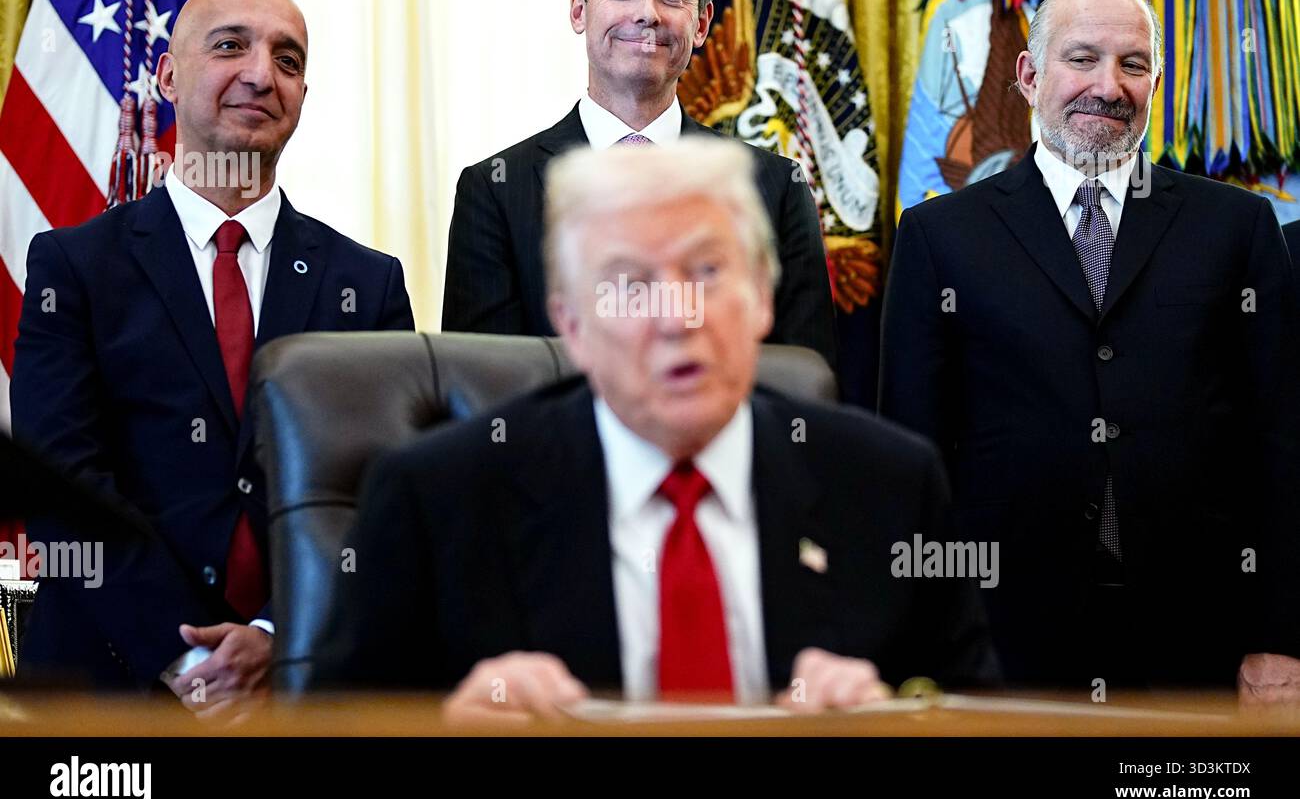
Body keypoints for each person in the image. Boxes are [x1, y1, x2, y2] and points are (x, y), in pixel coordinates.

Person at [315, 138, 995, 721]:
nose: (677, 317)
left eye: (706, 271)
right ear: (571, 324)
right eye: (628, 284)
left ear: (762, 296)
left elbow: (982, 728)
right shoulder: (437, 500)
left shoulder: (889, 488)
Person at [879, 0, 1300, 698]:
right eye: (1082, 58)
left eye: (1133, 65)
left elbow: (1285, 443)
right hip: (998, 645)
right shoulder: (937, 237)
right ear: (1030, 74)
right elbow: (913, 458)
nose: (1107, 86)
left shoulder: (1239, 228)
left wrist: (1281, 637)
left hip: (1199, 644)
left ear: (1157, 83)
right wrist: (918, 642)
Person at [11, 0, 415, 715]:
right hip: (106, 689)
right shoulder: (74, 267)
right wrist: (187, 654)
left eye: (288, 60)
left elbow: (385, 498)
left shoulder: (369, 283)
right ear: (167, 77)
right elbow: (60, 485)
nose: (262, 73)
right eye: (231, 46)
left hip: (300, 686)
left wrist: (276, 635)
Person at [441, 0, 836, 366]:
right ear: (579, 9)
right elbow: (489, 387)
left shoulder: (775, 187)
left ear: (702, 24)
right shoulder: (495, 192)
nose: (647, 13)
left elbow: (802, 380)